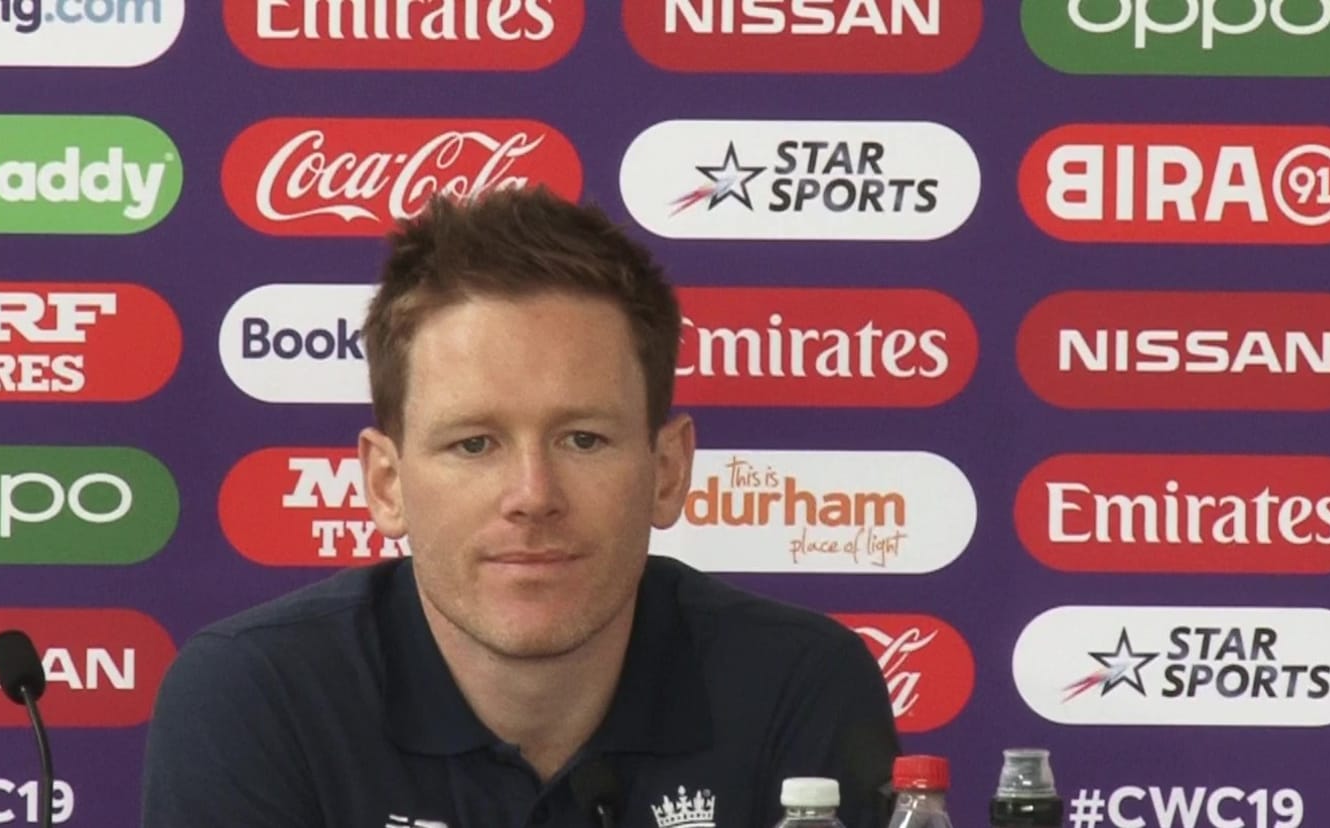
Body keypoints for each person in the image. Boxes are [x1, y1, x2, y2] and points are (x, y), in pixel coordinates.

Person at [141, 186, 902, 828]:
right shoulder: (255, 695)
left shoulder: (800, 683)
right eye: (475, 444)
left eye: (582, 439)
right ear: (385, 484)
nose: (533, 496)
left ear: (667, 471)